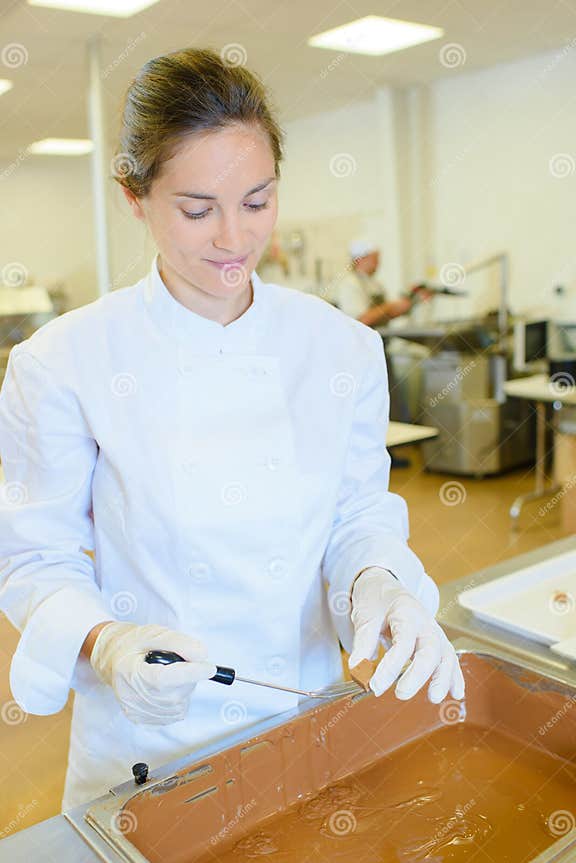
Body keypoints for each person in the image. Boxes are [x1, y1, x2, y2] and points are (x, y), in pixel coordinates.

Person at [0, 47, 464, 812]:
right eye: (196, 209)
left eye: (257, 201)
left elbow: (356, 515)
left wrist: (378, 578)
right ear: (134, 196)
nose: (232, 240)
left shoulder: (339, 345)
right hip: (149, 747)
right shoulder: (64, 360)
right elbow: (35, 556)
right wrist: (106, 644)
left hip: (308, 717)